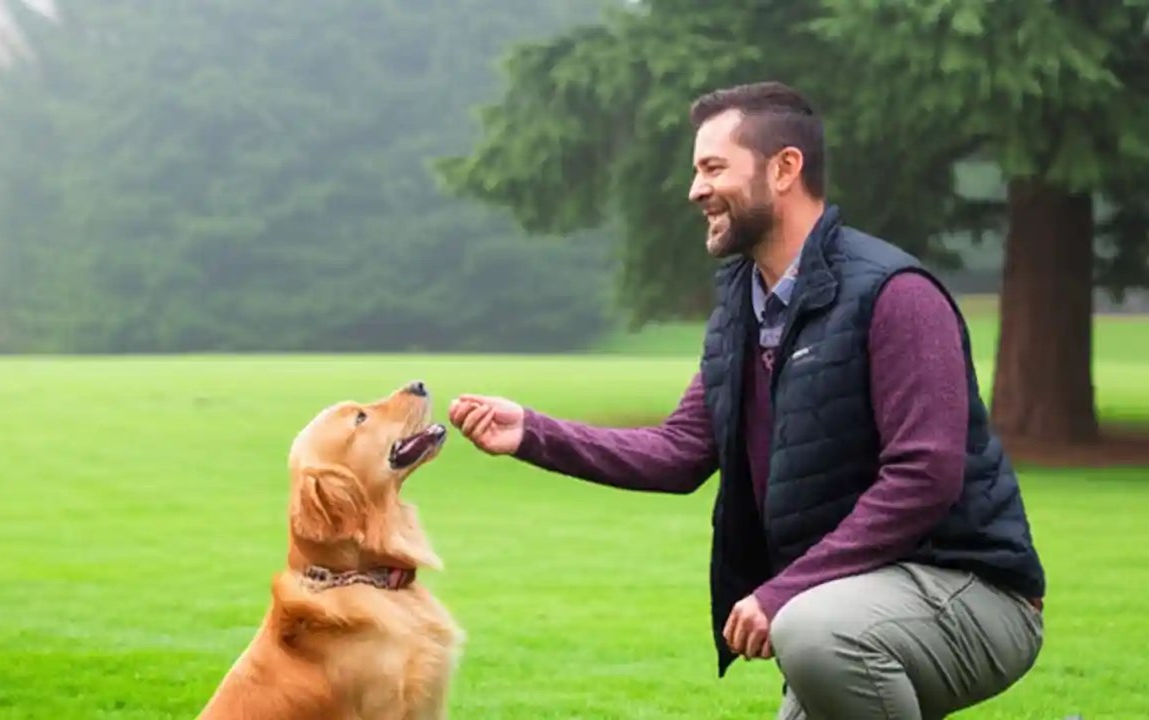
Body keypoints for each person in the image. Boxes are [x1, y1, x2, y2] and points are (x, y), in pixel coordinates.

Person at [447, 81, 1046, 719]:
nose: (695, 190)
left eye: (712, 168)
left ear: (785, 168)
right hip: (846, 602)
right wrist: (532, 432)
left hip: (971, 592)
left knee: (814, 634)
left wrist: (786, 590)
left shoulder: (895, 295)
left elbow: (925, 476)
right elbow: (680, 452)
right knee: (815, 632)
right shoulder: (742, 304)